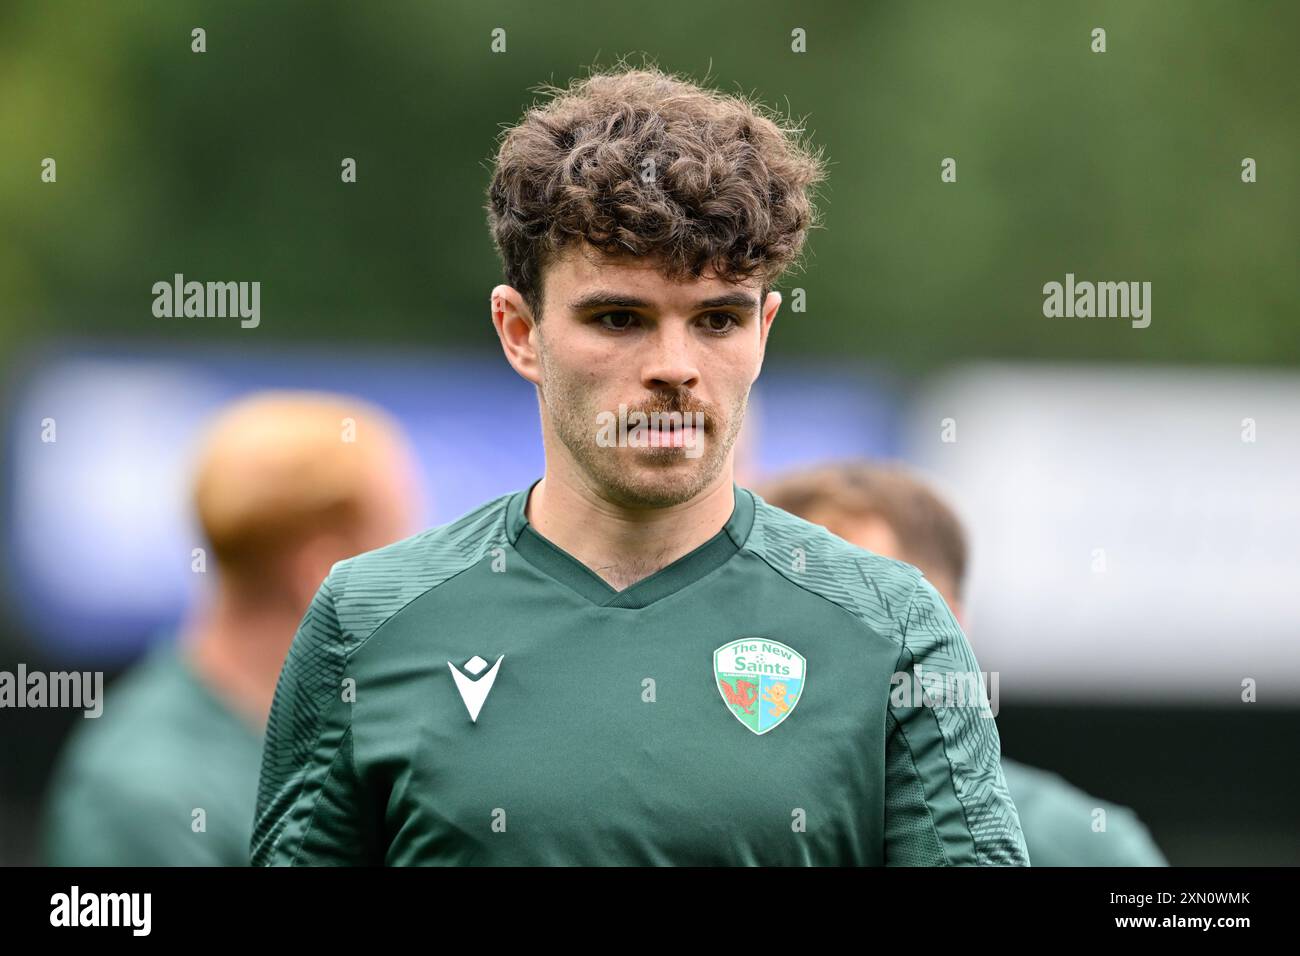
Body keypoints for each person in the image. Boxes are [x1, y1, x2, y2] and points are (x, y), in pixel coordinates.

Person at [252, 65, 1028, 866]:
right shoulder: (368, 620)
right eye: (619, 318)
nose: (673, 366)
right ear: (520, 331)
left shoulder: (892, 626)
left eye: (717, 320)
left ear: (763, 330)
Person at [43, 392, 418, 865]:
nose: (421, 576)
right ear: (327, 570)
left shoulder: (354, 743)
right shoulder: (145, 795)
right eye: (402, 545)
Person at [755, 460, 1168, 866]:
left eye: (855, 606)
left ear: (947, 627)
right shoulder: (716, 819)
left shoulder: (1080, 848)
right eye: (784, 602)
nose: (809, 640)